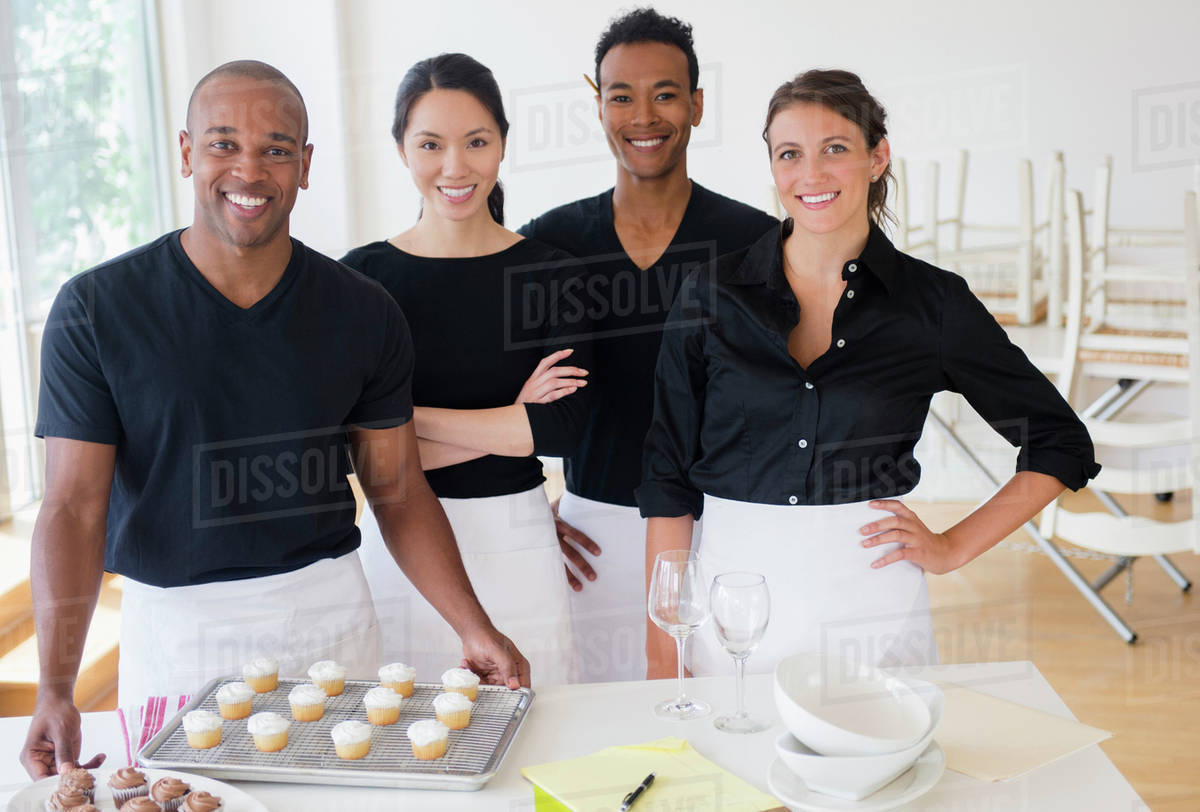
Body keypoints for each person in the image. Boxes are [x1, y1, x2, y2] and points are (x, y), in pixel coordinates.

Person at [21, 60, 528, 779]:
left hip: (330, 628)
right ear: (187, 153)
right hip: (177, 636)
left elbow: (397, 490)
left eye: (276, 149)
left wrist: (474, 628)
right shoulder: (96, 310)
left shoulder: (364, 310)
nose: (249, 171)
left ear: (306, 165)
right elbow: (72, 509)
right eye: (223, 144)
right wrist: (55, 687)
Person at [638, 69, 1101, 677]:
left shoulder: (932, 303)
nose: (811, 174)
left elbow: (1061, 441)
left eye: (835, 149)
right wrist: (662, 650)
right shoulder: (710, 294)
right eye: (789, 154)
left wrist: (953, 547)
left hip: (874, 608)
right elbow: (667, 474)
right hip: (730, 603)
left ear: (877, 157)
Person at [518, 7, 778, 683]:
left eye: (665, 94)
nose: (643, 117)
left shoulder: (754, 242)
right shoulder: (549, 243)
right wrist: (524, 509)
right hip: (590, 540)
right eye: (621, 96)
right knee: (601, 725)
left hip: (722, 531)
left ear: (696, 105)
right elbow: (501, 387)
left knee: (716, 721)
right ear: (597, 104)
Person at [341, 53, 590, 687]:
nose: (455, 167)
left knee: (538, 724)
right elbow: (346, 450)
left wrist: (399, 423)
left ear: (502, 143)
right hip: (400, 552)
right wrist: (511, 420)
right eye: (431, 144)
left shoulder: (552, 274)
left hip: (518, 546)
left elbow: (562, 428)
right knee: (401, 730)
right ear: (401, 149)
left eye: (476, 142)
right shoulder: (359, 280)